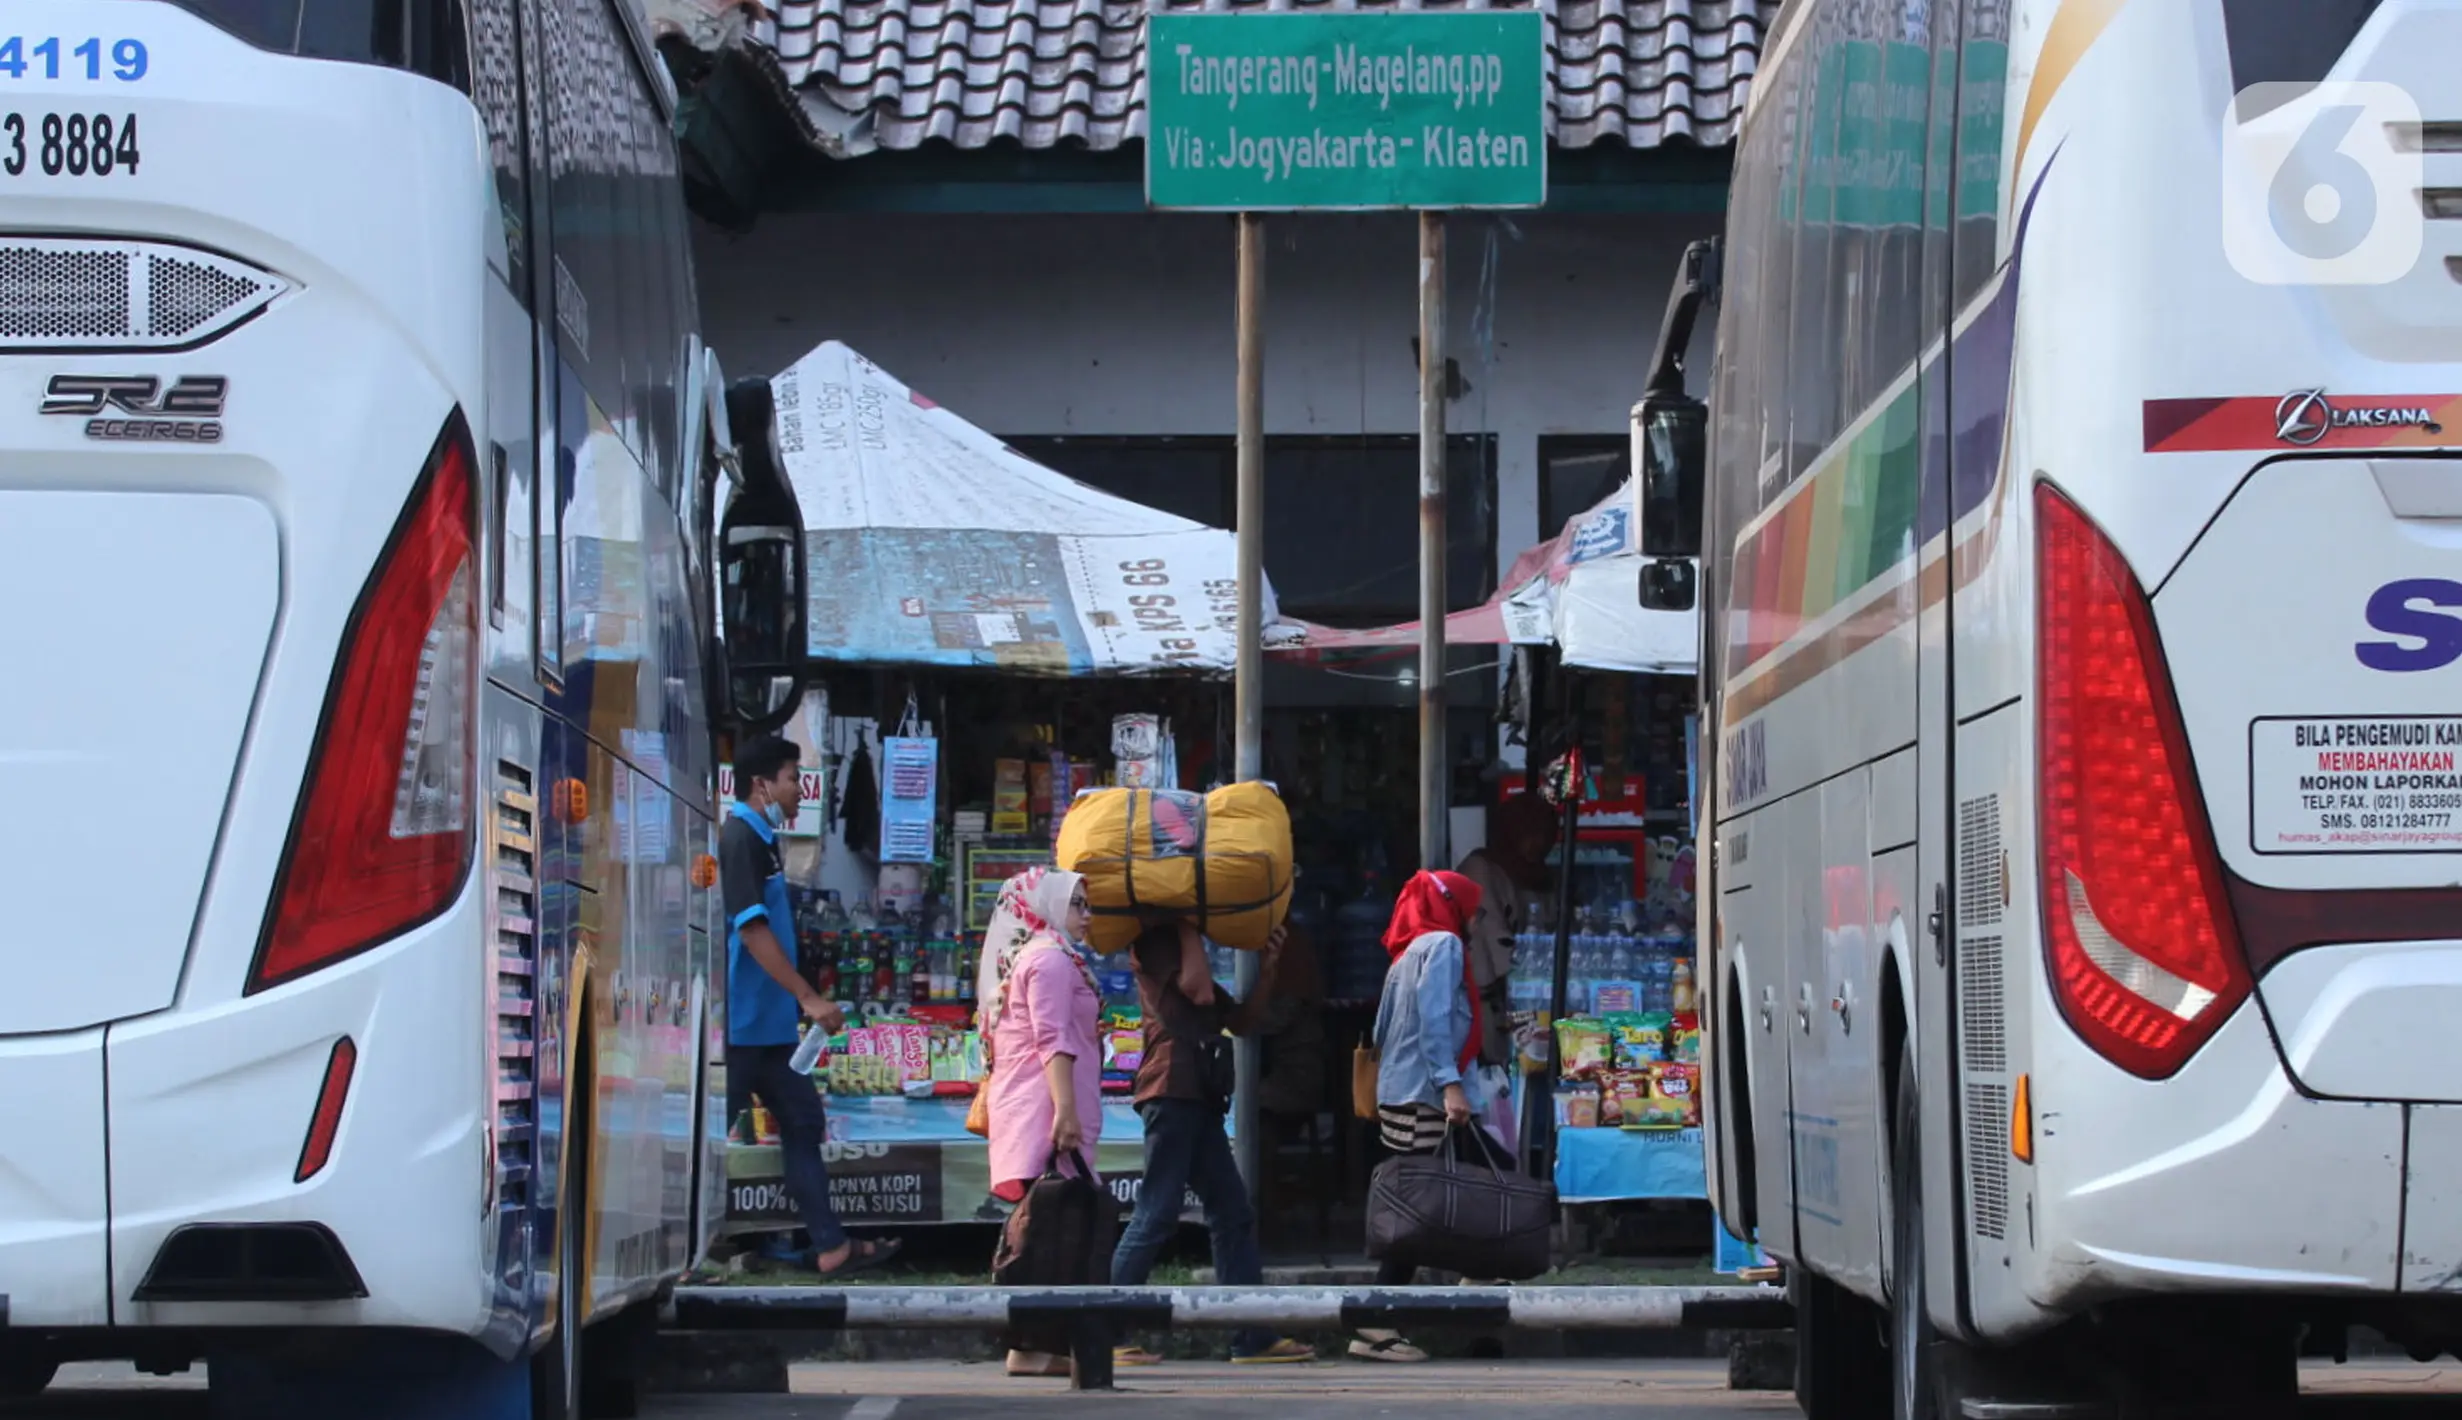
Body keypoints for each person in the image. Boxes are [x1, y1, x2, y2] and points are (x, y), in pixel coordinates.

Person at [720, 735, 900, 1277]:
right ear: (762, 784)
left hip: (769, 1028)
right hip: (739, 1024)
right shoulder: (738, 838)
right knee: (706, 1143)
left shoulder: (763, 836)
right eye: (793, 776)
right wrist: (808, 996)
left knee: (803, 1120)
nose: (799, 788)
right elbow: (750, 930)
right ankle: (690, 1255)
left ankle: (830, 1246)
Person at [1109, 920, 1314, 1367]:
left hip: (1199, 1098)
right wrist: (1185, 928)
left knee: (1233, 1214)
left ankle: (1252, 1335)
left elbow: (1241, 1021)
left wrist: (1270, 968)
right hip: (1171, 1091)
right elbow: (1198, 991)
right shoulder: (1155, 941)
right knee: (1156, 1213)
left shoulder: (1186, 946)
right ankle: (1106, 1332)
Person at [1351, 868, 1489, 1364]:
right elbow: (1434, 1021)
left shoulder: (1405, 951)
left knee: (1424, 1198)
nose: (1474, 920)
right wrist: (1449, 1083)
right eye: (1471, 909)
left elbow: (1382, 1027)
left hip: (1398, 1092)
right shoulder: (1445, 947)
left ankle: (1479, 1273)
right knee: (1413, 1212)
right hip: (1423, 1094)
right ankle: (1375, 1322)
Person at [983, 869, 1105, 1378]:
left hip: (1042, 1110)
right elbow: (1051, 1039)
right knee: (1053, 1231)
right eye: (1077, 904)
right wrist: (1066, 1112)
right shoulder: (1050, 960)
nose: (1087, 915)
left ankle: (1036, 1344)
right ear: (1052, 907)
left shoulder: (1045, 956)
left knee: (1049, 1230)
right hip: (1046, 1114)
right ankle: (1032, 1345)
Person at [1455, 791, 1558, 1149]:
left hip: (1524, 1000)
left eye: (1546, 836)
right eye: (1531, 835)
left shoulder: (1536, 875)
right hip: (1492, 1001)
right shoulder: (1483, 870)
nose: (1538, 844)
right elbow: (1497, 947)